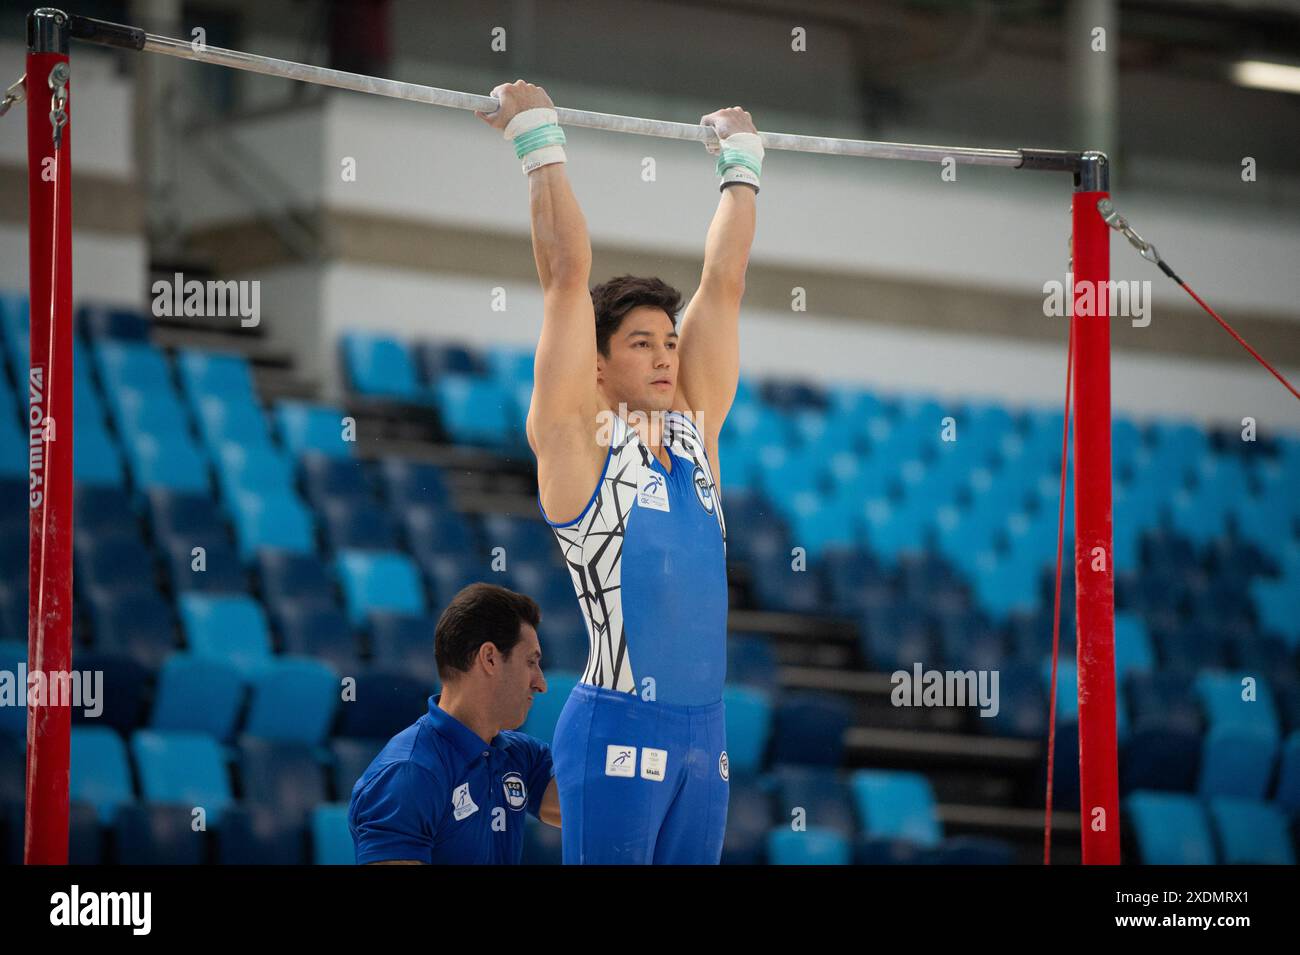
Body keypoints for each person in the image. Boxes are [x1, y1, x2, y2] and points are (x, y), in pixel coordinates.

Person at [476, 81, 757, 863]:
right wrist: (538, 136)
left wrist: (742, 165)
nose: (666, 356)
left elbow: (725, 283)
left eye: (670, 342)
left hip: (708, 739)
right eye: (641, 343)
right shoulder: (577, 440)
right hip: (619, 729)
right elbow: (568, 273)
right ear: (595, 367)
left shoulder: (697, 431)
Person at [348, 583, 560, 864]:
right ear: (489, 659)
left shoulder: (521, 756)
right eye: (531, 662)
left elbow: (595, 811)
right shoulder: (409, 774)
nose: (541, 683)